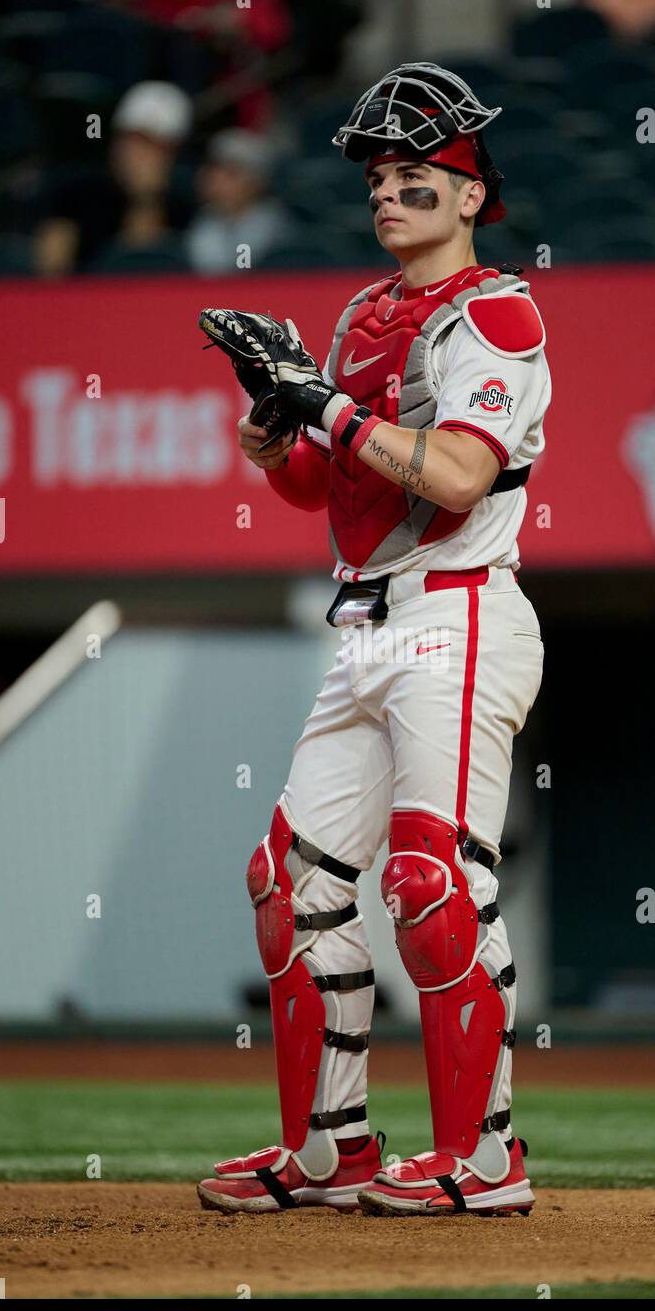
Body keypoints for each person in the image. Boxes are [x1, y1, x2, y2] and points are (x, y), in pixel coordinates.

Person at [197, 63, 551, 1217]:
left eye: (412, 178)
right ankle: (328, 1151)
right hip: (368, 622)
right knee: (287, 878)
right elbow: (333, 491)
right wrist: (278, 433)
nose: (386, 195)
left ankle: (485, 1159)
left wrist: (332, 407)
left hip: (457, 612)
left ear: (467, 196)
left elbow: (452, 475)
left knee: (428, 878)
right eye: (378, 179)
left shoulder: (495, 310)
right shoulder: (359, 316)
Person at [33, 82, 194, 275]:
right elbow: (49, 270)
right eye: (127, 139)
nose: (133, 153)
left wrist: (145, 199)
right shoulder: (76, 193)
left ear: (171, 153)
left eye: (149, 144)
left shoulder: (189, 200)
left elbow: (143, 267)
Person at [186, 129, 294, 272]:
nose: (217, 180)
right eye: (214, 171)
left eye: (231, 174)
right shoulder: (204, 221)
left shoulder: (273, 226)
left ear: (256, 180)